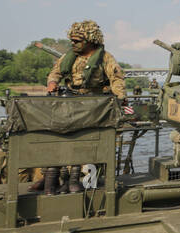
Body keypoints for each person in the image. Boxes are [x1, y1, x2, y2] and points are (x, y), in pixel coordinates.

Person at [41, 20, 130, 194]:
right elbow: (55, 73)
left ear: (89, 41)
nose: (72, 44)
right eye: (72, 41)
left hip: (93, 105)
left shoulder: (105, 58)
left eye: (76, 41)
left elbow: (117, 79)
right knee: (59, 138)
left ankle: (77, 179)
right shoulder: (69, 56)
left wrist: (120, 98)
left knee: (86, 141)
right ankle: (53, 179)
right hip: (70, 102)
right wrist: (52, 83)